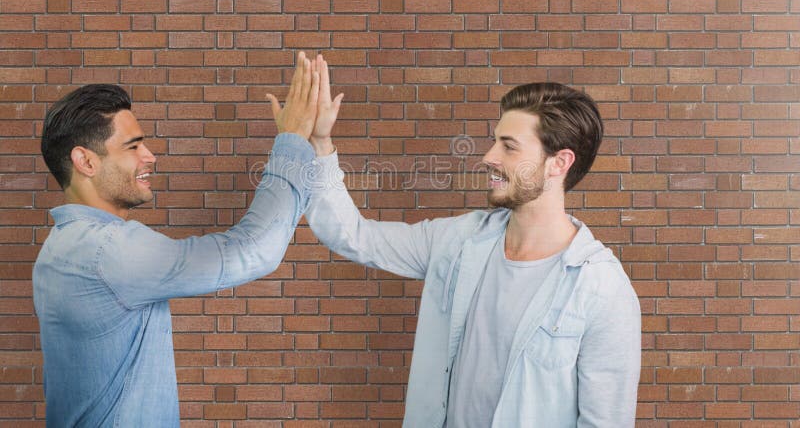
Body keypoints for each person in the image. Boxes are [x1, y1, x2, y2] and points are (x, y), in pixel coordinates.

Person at [307, 65, 641, 427]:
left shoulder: (602, 290)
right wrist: (320, 144)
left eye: (509, 146)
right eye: (495, 140)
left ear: (558, 163)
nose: (489, 157)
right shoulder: (457, 240)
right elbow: (354, 236)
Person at [33, 53, 325, 427]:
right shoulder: (108, 251)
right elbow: (254, 250)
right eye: (133, 146)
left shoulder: (57, 250)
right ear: (86, 162)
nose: (150, 156)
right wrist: (293, 139)